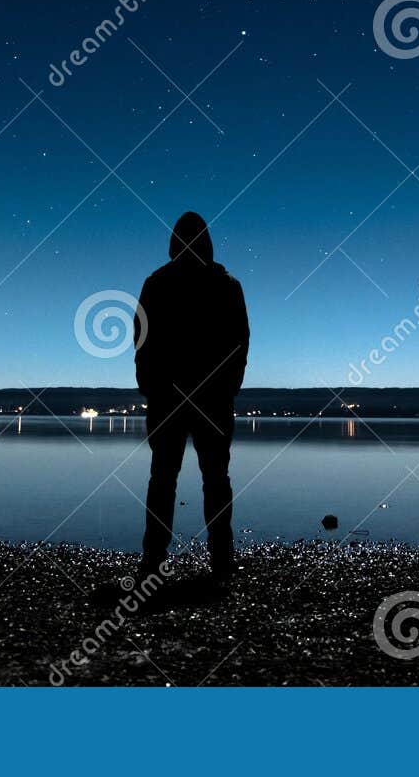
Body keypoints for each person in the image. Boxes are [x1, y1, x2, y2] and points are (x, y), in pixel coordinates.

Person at [134, 211, 249, 583]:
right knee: (214, 479)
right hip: (209, 399)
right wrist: (229, 386)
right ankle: (220, 562)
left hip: (172, 399)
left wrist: (150, 385)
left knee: (163, 478)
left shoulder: (158, 284)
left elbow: (141, 340)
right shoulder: (226, 286)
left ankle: (153, 561)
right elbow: (239, 342)